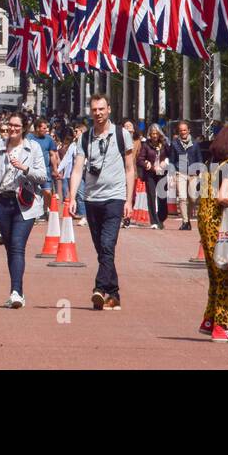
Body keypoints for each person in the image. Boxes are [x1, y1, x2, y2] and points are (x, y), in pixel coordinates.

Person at [66, 95, 136, 310]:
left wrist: (128, 200)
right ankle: (113, 293)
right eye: (94, 109)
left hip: (114, 198)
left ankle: (99, 289)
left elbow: (130, 169)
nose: (98, 113)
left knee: (107, 245)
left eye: (101, 109)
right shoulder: (84, 139)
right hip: (91, 198)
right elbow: (77, 169)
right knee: (102, 249)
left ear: (109, 110)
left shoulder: (121, 134)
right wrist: (71, 197)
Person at [0, 113, 47, 308]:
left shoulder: (33, 147)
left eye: (17, 126)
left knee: (17, 245)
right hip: (2, 202)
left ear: (24, 128)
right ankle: (16, 290)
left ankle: (16, 292)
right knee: (9, 248)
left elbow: (42, 176)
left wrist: (24, 168)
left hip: (24, 203)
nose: (12, 129)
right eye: (10, 125)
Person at [198, 125, 228, 341]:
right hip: (221, 228)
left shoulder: (210, 165)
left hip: (206, 225)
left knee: (215, 277)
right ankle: (221, 324)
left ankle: (209, 319)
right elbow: (222, 196)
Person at [167, 121, 202, 229]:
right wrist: (172, 174)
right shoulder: (174, 143)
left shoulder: (195, 143)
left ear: (188, 131)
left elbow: (199, 158)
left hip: (192, 174)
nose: (183, 132)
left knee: (193, 198)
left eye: (184, 130)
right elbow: (172, 160)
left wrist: (200, 172)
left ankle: (188, 218)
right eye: (181, 130)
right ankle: (185, 221)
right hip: (180, 172)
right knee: (182, 197)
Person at [137, 124, 167, 230]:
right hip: (150, 174)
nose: (154, 135)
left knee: (162, 197)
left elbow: (170, 155)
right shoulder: (146, 145)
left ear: (159, 134)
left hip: (162, 173)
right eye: (152, 133)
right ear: (150, 134)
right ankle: (154, 221)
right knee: (151, 196)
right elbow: (140, 159)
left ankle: (161, 218)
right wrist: (146, 164)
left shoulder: (164, 144)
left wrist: (166, 161)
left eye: (156, 133)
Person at [29, 118, 60, 215]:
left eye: (47, 128)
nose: (46, 130)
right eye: (44, 128)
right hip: (32, 169)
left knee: (47, 191)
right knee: (32, 192)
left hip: (45, 169)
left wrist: (55, 169)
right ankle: (33, 213)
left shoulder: (49, 140)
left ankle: (49, 210)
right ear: (37, 128)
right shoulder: (28, 138)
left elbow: (52, 155)